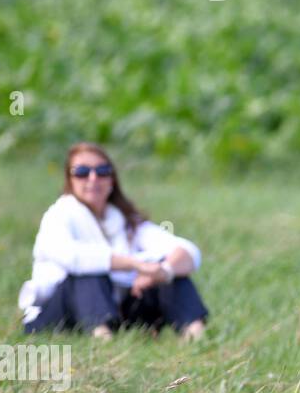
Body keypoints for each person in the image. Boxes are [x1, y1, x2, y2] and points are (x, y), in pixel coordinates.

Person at [18, 143, 209, 339]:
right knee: (89, 274)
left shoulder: (124, 219)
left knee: (172, 275)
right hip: (61, 311)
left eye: (102, 171)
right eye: (82, 172)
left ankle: (196, 336)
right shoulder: (58, 215)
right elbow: (73, 257)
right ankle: (102, 340)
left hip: (117, 307)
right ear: (70, 180)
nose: (93, 178)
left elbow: (187, 250)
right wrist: (136, 265)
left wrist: (162, 271)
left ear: (112, 180)